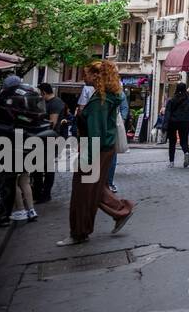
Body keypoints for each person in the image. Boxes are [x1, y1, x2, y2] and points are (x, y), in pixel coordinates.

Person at [57, 61, 135, 246]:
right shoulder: (105, 97)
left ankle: (79, 232)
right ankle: (121, 210)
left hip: (94, 150)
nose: (84, 77)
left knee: (83, 192)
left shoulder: (101, 100)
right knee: (94, 189)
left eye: (87, 74)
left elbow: (96, 132)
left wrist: (87, 159)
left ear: (96, 76)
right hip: (98, 149)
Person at [165, 83, 189, 167]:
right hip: (184, 121)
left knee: (172, 142)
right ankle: (186, 152)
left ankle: (171, 162)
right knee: (184, 140)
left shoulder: (171, 100)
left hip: (173, 122)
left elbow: (167, 113)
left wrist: (165, 124)